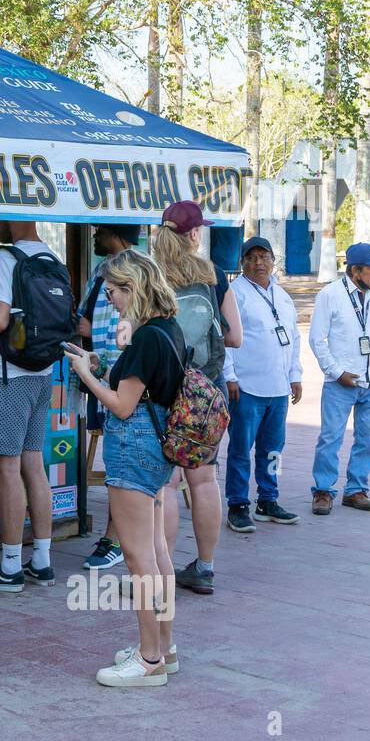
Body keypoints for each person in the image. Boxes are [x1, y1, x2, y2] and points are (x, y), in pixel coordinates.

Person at [64, 250, 184, 686]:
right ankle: (164, 647)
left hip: (133, 447)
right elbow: (144, 385)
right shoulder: (165, 328)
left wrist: (85, 373)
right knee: (158, 553)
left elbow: (121, 403)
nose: (109, 301)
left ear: (132, 288)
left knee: (138, 559)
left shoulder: (145, 337)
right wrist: (104, 366)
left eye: (112, 292)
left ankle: (149, 658)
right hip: (157, 446)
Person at [0, 220, 63, 591]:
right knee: (34, 464)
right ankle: (43, 560)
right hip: (43, 371)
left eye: (0, 218)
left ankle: (10, 566)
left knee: (6, 470)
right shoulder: (51, 255)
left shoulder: (6, 256)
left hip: (7, 375)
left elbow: (0, 319)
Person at [152, 200, 242, 595]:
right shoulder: (214, 275)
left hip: (168, 389)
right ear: (192, 235)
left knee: (167, 485)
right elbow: (234, 337)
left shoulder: (152, 276)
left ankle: (163, 571)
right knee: (204, 480)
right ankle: (204, 567)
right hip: (208, 390)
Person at [309, 242, 370, 515]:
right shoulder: (330, 295)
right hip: (341, 382)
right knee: (330, 438)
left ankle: (356, 489)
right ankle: (323, 491)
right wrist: (337, 372)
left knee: (368, 439)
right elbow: (316, 339)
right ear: (355, 270)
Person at [223, 237, 302, 532]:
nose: (258, 263)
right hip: (247, 388)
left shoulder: (282, 295)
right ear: (242, 262)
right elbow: (226, 338)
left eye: (264, 257)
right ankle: (238, 505)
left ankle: (268, 499)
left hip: (279, 388)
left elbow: (293, 338)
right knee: (241, 449)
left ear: (273, 260)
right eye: (252, 257)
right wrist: (229, 375)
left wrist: (295, 375)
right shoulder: (235, 293)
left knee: (273, 450)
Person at [76, 222, 142, 569]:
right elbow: (87, 322)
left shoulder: (131, 273)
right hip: (107, 376)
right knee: (116, 459)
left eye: (101, 231)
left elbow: (127, 330)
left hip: (122, 382)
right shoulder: (103, 273)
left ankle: (117, 540)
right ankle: (121, 538)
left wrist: (102, 372)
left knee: (122, 464)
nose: (95, 237)